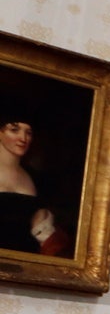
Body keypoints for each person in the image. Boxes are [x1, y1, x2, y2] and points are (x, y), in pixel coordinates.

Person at [0, 109, 70, 257]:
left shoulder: (36, 178)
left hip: (28, 262)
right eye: (14, 130)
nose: (23, 138)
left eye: (29, 132)